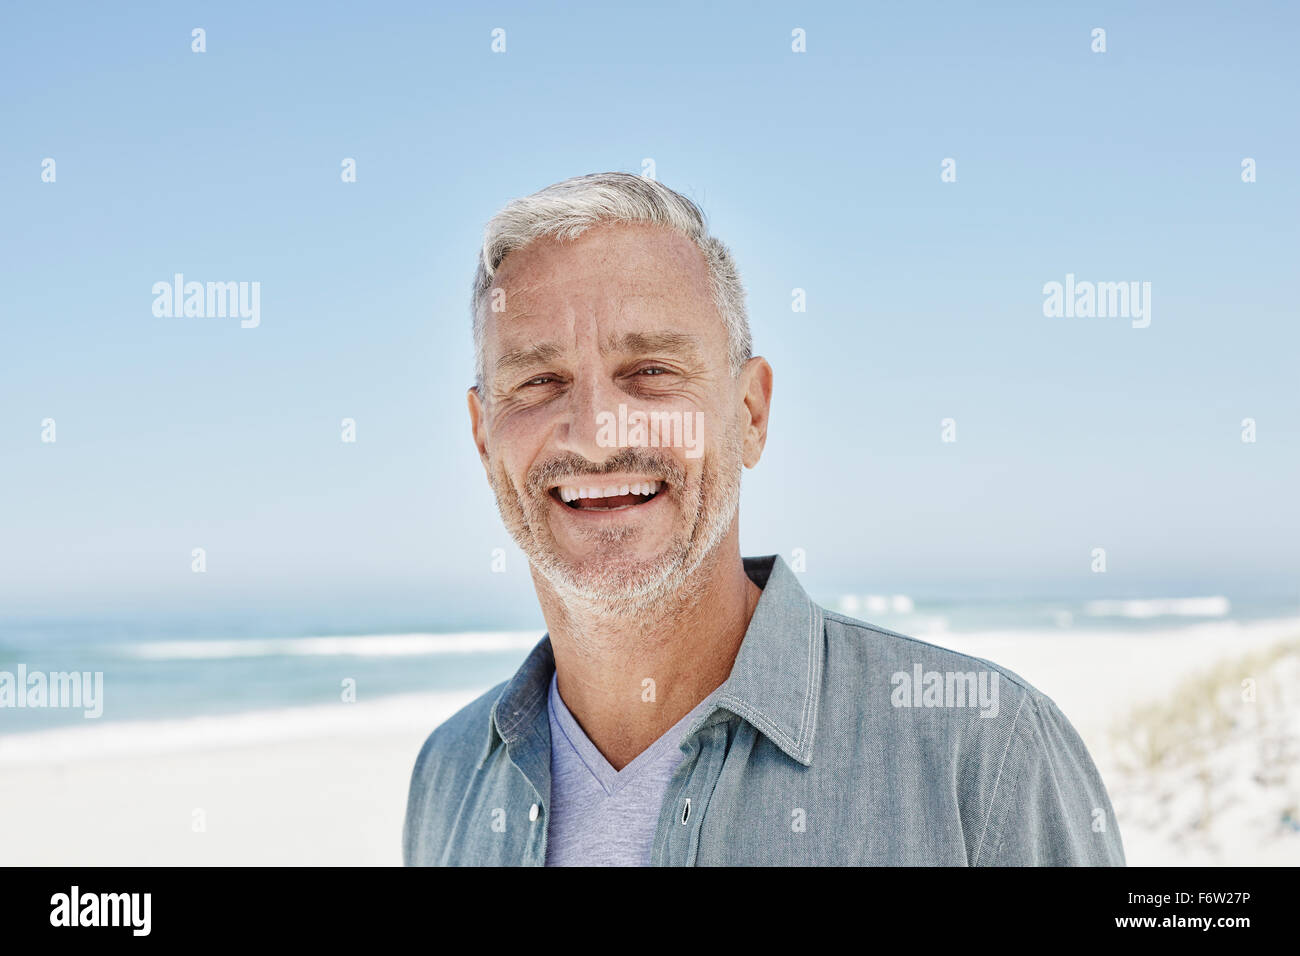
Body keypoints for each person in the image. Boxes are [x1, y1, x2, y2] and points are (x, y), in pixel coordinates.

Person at [403, 172, 1125, 866]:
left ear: (750, 413)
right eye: (539, 381)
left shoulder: (987, 756)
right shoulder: (450, 774)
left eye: (651, 370)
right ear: (482, 434)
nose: (594, 432)